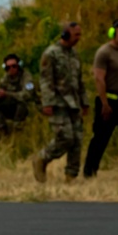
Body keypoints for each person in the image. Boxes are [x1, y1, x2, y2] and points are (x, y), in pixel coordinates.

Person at [33, 22, 88, 183]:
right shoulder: (51, 53)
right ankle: (42, 158)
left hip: (74, 103)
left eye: (80, 34)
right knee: (65, 137)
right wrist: (48, 102)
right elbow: (45, 80)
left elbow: (79, 80)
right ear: (65, 34)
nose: (79, 38)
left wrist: (84, 102)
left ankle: (71, 176)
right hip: (58, 103)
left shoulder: (74, 55)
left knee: (77, 139)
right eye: (76, 35)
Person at [83, 20, 118, 177]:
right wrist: (104, 103)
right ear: (113, 34)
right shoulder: (104, 52)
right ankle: (89, 171)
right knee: (100, 138)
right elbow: (99, 79)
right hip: (108, 101)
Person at [0, 53, 36, 136]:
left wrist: (8, 94)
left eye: (14, 66)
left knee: (22, 103)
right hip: (13, 106)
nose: (11, 69)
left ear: (19, 65)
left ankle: (18, 127)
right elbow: (0, 89)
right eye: (8, 67)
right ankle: (3, 129)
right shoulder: (5, 78)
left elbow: (28, 95)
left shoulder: (26, 77)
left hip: (27, 107)